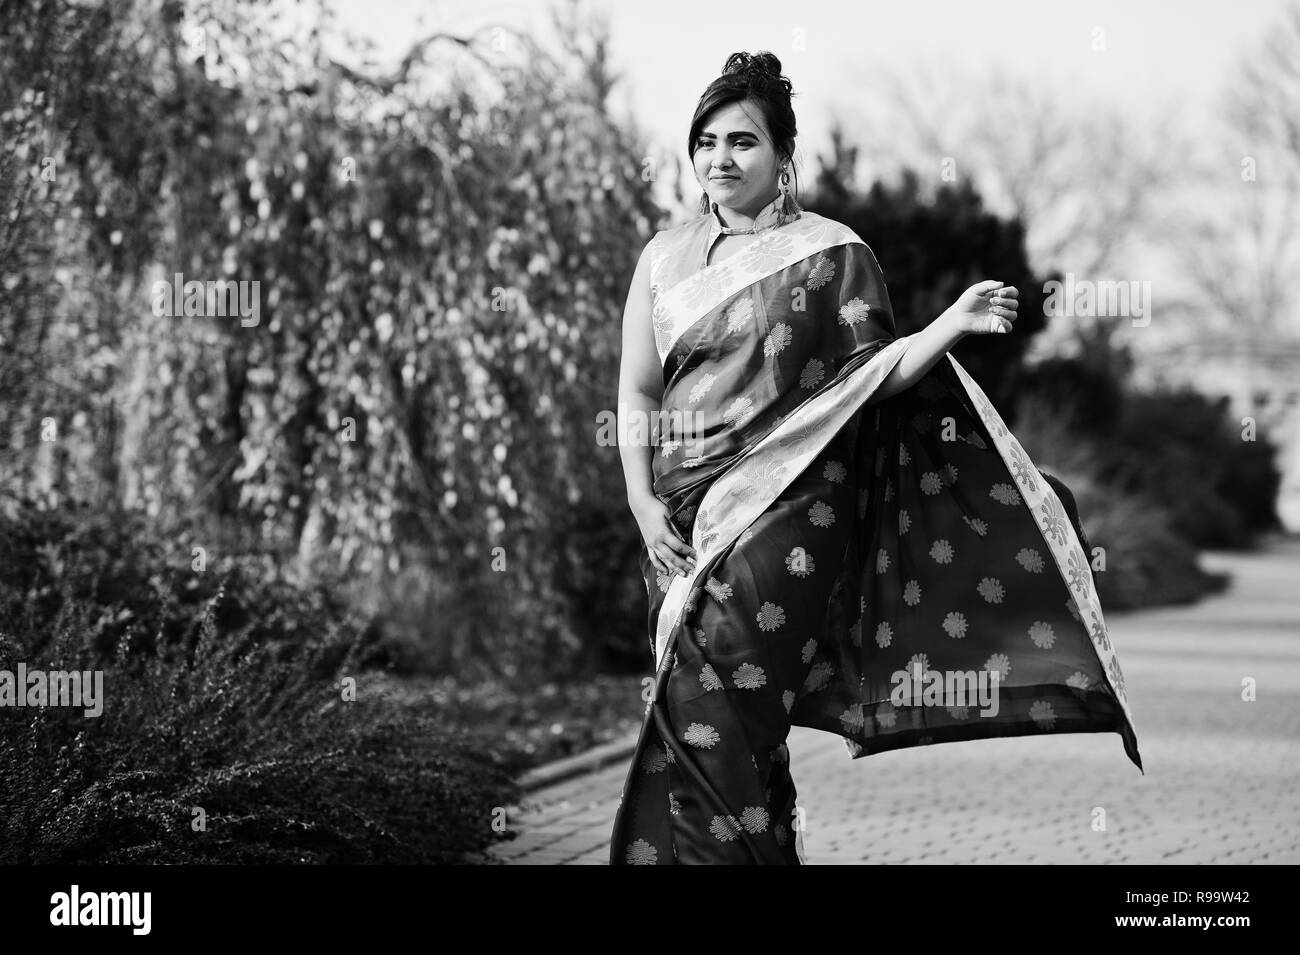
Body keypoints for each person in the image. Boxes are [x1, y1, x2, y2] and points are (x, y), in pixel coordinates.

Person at [609, 51, 1141, 866]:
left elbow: (873, 375)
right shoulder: (662, 258)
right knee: (719, 713)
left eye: (742, 141)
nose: (720, 158)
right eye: (707, 140)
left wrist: (948, 325)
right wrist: (644, 503)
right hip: (679, 516)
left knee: (722, 688)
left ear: (783, 157)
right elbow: (639, 393)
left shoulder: (831, 252)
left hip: (787, 514)